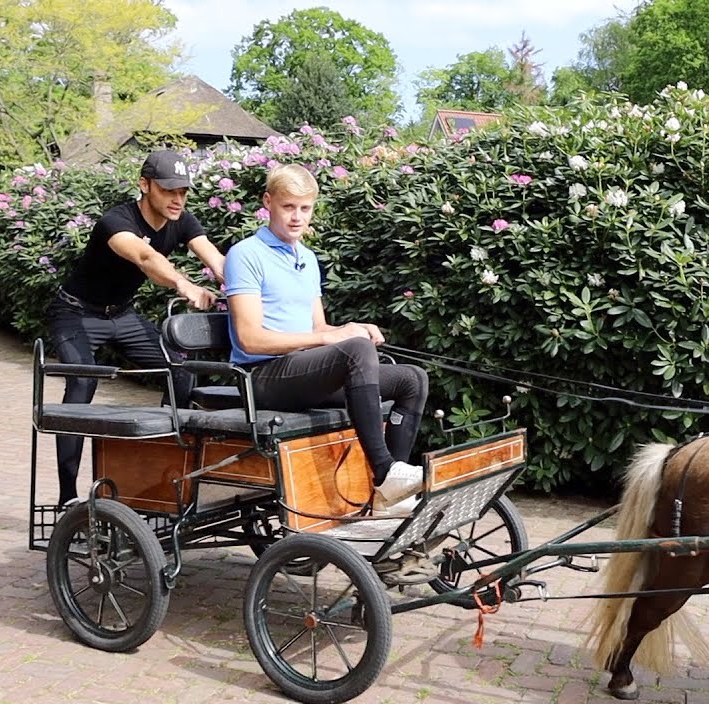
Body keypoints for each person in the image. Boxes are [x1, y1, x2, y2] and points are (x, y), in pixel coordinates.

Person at [224, 164, 428, 511]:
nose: (297, 217)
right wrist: (339, 339)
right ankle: (384, 472)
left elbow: (319, 330)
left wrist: (354, 328)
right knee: (355, 351)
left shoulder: (307, 258)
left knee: (412, 379)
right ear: (268, 202)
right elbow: (249, 340)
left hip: (302, 371)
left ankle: (389, 498)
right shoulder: (245, 255)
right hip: (263, 376)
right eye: (288, 207)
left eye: (305, 208)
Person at [47, 150, 226, 504]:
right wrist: (183, 283)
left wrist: (247, 291)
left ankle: (158, 468)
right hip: (76, 314)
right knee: (82, 382)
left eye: (183, 191)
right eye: (168, 190)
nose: (177, 199)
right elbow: (146, 258)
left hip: (122, 316)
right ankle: (68, 497)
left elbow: (217, 260)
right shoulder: (116, 221)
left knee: (182, 369)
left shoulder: (183, 220)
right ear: (144, 185)